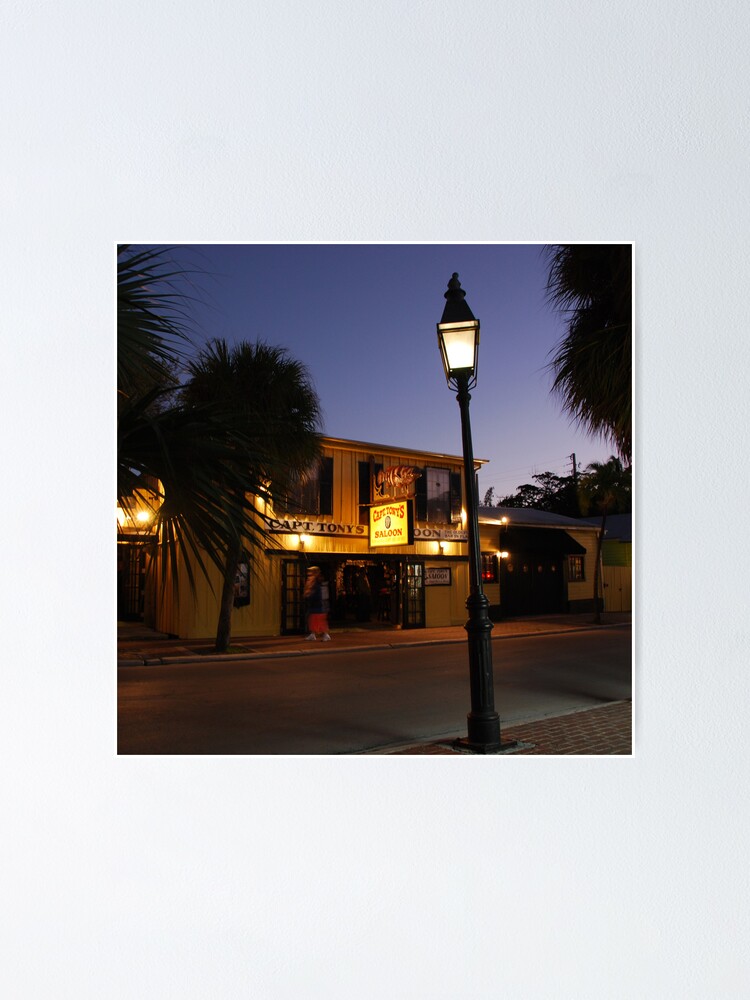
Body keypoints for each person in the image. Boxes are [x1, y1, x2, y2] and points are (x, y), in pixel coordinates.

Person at [303, 566, 331, 641]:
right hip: (316, 605)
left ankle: (325, 634)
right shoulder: (315, 582)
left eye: (310, 574)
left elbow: (317, 594)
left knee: (318, 621)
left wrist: (309, 595)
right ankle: (313, 634)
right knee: (313, 620)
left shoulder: (316, 583)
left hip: (318, 605)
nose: (309, 576)